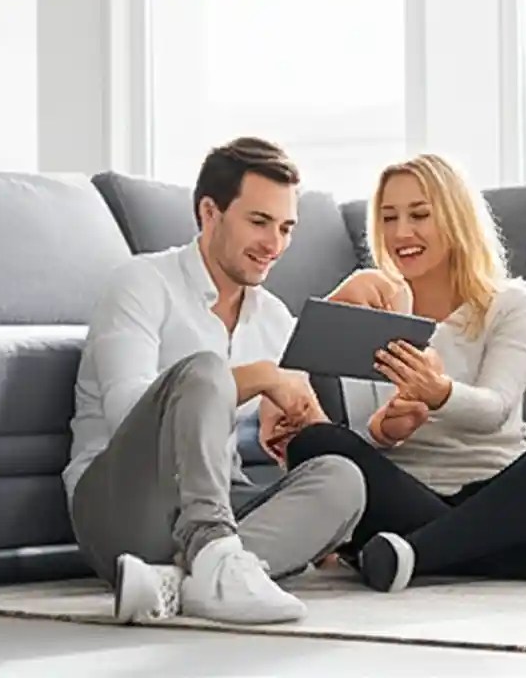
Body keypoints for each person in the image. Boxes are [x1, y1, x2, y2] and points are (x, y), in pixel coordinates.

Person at [65, 137, 377, 625]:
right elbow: (126, 412)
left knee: (342, 480)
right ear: (210, 213)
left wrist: (300, 428)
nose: (274, 245)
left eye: (286, 228)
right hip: (121, 510)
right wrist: (259, 378)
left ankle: (179, 582)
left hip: (222, 502)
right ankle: (213, 560)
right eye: (259, 222)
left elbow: (306, 430)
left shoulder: (274, 319)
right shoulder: (141, 283)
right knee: (205, 369)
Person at [273, 153, 526, 593]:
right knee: (313, 444)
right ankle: (518, 557)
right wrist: (386, 430)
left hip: (495, 489)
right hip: (403, 494)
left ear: (456, 219)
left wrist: (440, 393)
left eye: (419, 215)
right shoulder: (377, 302)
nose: (401, 233)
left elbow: (494, 410)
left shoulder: (512, 305)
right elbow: (361, 430)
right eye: (388, 218)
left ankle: (414, 554)